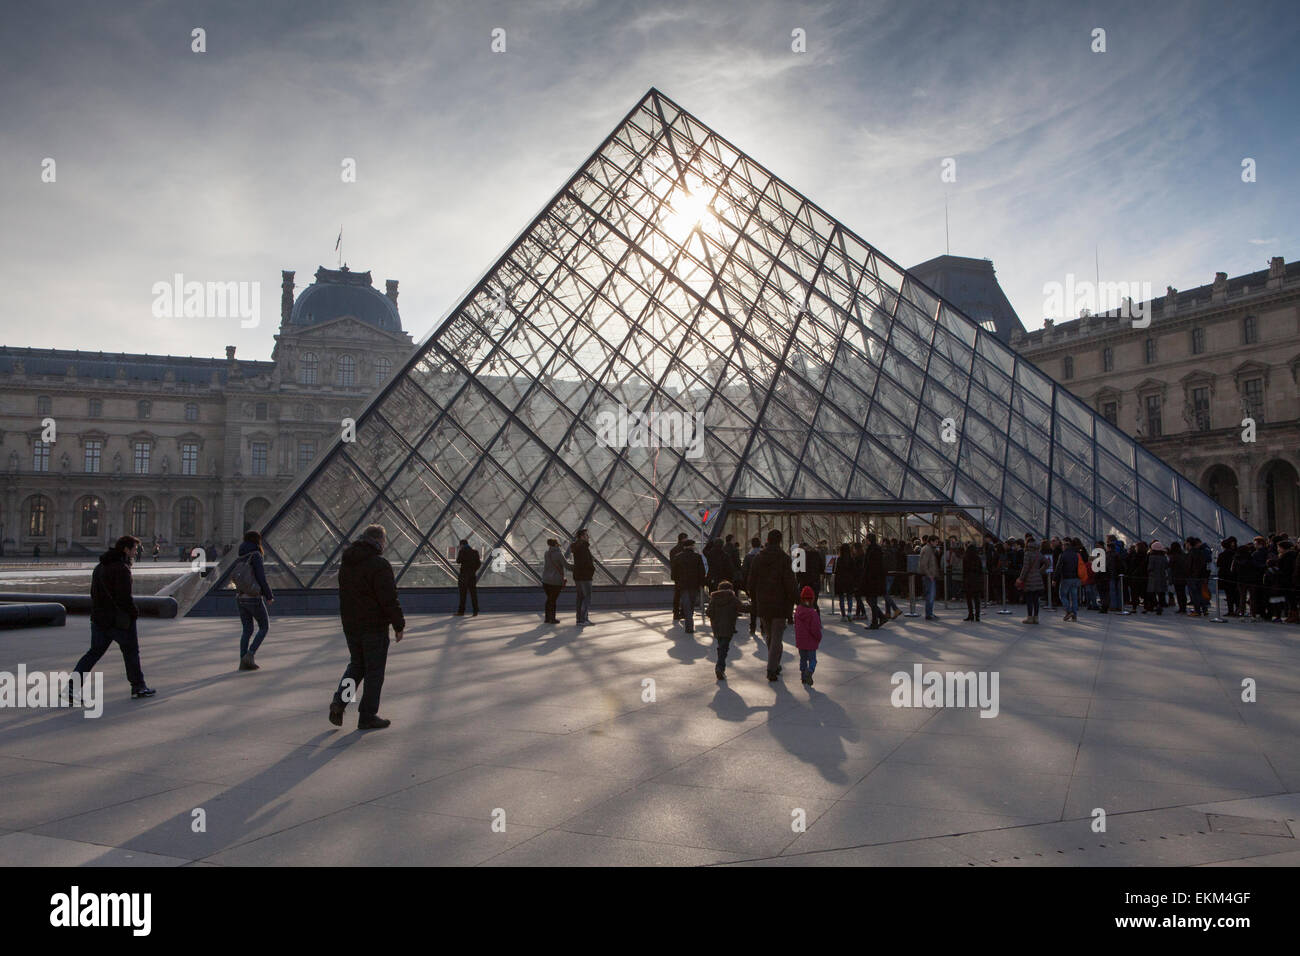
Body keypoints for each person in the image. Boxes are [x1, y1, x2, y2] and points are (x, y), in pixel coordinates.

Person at [330, 524, 405, 730]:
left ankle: (339, 702)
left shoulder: (347, 563)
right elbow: (388, 598)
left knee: (356, 666)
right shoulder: (379, 564)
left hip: (351, 625)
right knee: (374, 672)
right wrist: (399, 624)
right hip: (373, 626)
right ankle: (367, 715)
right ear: (379, 541)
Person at [70, 535, 155, 699]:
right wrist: (133, 614)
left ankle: (71, 688)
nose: (135, 552)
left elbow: (93, 594)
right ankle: (138, 687)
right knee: (131, 653)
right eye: (134, 549)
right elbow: (125, 598)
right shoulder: (121, 569)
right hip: (119, 621)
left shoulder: (100, 567)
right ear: (126, 549)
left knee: (93, 654)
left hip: (99, 619)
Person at [749, 529, 799, 682]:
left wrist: (754, 598)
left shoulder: (758, 558)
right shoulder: (784, 559)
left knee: (770, 636)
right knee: (776, 638)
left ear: (768, 540)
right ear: (780, 541)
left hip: (763, 603)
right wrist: (797, 600)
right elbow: (790, 583)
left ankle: (775, 664)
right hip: (780, 604)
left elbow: (751, 581)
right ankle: (772, 668)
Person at [233, 530, 275, 670]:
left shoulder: (240, 556)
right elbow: (261, 578)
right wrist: (268, 595)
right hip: (253, 597)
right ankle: (249, 655)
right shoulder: (255, 555)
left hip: (240, 597)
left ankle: (243, 660)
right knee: (264, 626)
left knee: (247, 630)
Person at [670, 539, 706, 633]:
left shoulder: (678, 557)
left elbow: (674, 572)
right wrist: (702, 583)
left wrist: (676, 581)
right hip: (694, 584)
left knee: (686, 604)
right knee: (691, 603)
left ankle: (689, 624)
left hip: (682, 584)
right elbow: (701, 571)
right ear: (692, 546)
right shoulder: (697, 557)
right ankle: (689, 623)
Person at [707, 580, 740, 680]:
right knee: (724, 647)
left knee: (721, 645)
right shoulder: (732, 598)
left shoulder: (714, 599)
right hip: (728, 626)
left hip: (717, 627)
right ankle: (720, 667)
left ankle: (720, 666)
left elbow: (709, 612)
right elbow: (742, 608)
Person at [794, 585, 823, 686]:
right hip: (811, 642)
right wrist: (819, 637)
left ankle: (803, 674)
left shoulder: (797, 612)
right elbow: (815, 629)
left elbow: (796, 627)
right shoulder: (812, 613)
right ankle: (809, 671)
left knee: (803, 659)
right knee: (812, 659)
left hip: (801, 641)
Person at [1017, 540, 1049, 624]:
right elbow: (1047, 563)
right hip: (1038, 578)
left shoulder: (1028, 554)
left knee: (1029, 599)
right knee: (1036, 599)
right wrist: (1040, 571)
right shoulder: (1039, 554)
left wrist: (1021, 578)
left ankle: (1030, 617)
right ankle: (1036, 617)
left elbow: (1025, 568)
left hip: (1029, 579)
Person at [567, 529, 594, 625]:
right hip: (585, 576)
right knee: (587, 598)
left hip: (578, 576)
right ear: (582, 536)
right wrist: (591, 570)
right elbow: (584, 562)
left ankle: (580, 619)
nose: (588, 537)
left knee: (580, 598)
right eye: (587, 535)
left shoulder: (576, 547)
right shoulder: (583, 547)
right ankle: (583, 619)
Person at [862, 533, 887, 629]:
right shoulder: (876, 549)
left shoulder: (872, 550)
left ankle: (876, 620)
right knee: (872, 600)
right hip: (876, 579)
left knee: (871, 600)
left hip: (872, 579)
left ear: (869, 540)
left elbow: (870, 566)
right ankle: (878, 618)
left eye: (867, 539)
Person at [1054, 537, 1080, 622]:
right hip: (1075, 578)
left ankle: (1068, 611)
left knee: (1063, 595)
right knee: (1074, 597)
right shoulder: (1076, 555)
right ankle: (1074, 615)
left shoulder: (1063, 555)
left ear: (1065, 546)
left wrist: (1054, 579)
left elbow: (1058, 568)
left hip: (1066, 578)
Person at [541, 538, 565, 624]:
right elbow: (566, 565)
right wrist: (576, 567)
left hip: (545, 580)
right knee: (553, 600)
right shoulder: (559, 554)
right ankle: (552, 618)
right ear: (556, 544)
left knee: (549, 599)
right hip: (555, 581)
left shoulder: (546, 553)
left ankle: (547, 618)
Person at [740, 536, 761, 634]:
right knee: (762, 603)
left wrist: (746, 584)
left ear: (752, 545)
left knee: (754, 604)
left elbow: (744, 571)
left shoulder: (748, 556)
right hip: (763, 583)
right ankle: (763, 626)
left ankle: (752, 626)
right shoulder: (763, 555)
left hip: (752, 583)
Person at [455, 538, 481, 616]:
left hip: (463, 576)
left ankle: (461, 611)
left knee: (463, 594)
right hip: (472, 575)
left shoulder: (462, 551)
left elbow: (458, 561)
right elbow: (478, 564)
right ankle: (475, 611)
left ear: (462, 545)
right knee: (473, 594)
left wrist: (460, 552)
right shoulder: (475, 552)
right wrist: (473, 570)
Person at [918, 535, 940, 620]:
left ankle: (930, 613)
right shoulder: (927, 550)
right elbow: (924, 563)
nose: (937, 543)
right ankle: (929, 613)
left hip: (930, 575)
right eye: (936, 542)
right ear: (931, 541)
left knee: (930, 595)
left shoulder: (929, 549)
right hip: (928, 576)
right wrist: (929, 574)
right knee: (930, 595)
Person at [669, 533, 690, 620]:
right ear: (683, 539)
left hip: (677, 575)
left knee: (677, 594)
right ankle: (683, 612)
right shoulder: (684, 550)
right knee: (685, 594)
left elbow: (672, 564)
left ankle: (676, 612)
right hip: (685, 575)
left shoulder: (673, 550)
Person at [1145, 541, 1169, 615]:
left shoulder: (1152, 557)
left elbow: (1150, 567)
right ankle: (1160, 607)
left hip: (1153, 577)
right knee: (1161, 593)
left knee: (1152, 593)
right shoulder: (1164, 557)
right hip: (1162, 576)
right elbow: (1166, 566)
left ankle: (1152, 606)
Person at [962, 542, 984, 622]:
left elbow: (964, 570)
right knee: (977, 599)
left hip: (968, 580)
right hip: (977, 580)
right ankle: (977, 616)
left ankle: (970, 614)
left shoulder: (965, 558)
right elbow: (980, 570)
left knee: (969, 599)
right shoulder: (978, 558)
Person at [833, 543, 855, 620]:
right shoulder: (851, 559)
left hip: (841, 580)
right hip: (849, 580)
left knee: (841, 598)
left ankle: (843, 615)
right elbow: (853, 570)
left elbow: (836, 571)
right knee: (849, 597)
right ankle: (849, 613)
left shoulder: (839, 559)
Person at [1169, 541, 1190, 613]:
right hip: (1183, 576)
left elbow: (1170, 566)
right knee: (1183, 593)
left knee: (1179, 593)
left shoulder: (1173, 556)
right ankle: (1184, 607)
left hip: (1176, 576)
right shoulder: (1184, 555)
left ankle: (1181, 608)